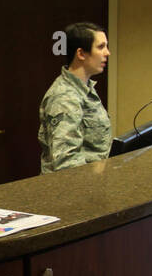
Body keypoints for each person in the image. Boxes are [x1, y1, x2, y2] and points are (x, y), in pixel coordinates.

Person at [38, 22, 112, 173]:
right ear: (81, 54)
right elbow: (66, 163)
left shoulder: (85, 89)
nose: (107, 53)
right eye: (101, 47)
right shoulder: (64, 98)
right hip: (72, 191)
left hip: (91, 186)